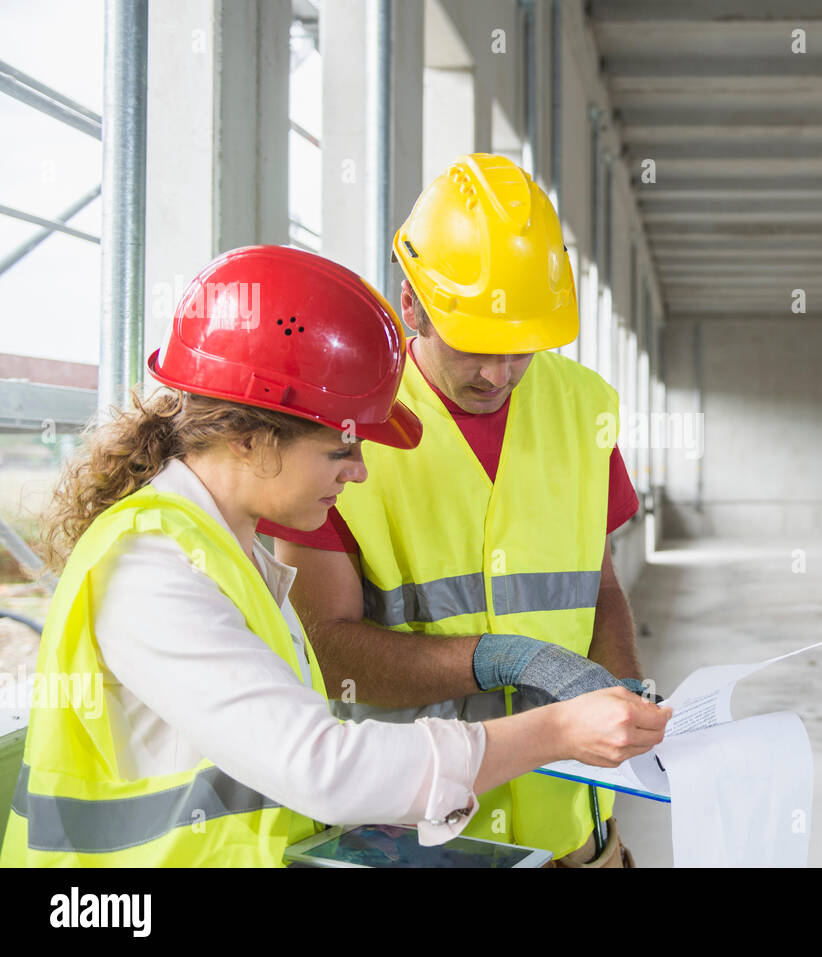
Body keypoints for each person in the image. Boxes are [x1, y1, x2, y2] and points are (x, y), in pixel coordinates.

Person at [0, 245, 667, 867]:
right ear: (249, 437)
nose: (359, 473)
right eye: (340, 449)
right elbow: (323, 767)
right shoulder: (151, 567)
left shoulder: (225, 553)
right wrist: (556, 729)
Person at [262, 153, 647, 867]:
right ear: (411, 307)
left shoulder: (580, 406)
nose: (498, 376)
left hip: (573, 829)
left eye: (520, 350)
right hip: (420, 836)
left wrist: (619, 684)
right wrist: (497, 659)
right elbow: (327, 651)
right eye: (476, 348)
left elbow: (600, 587)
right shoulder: (339, 427)